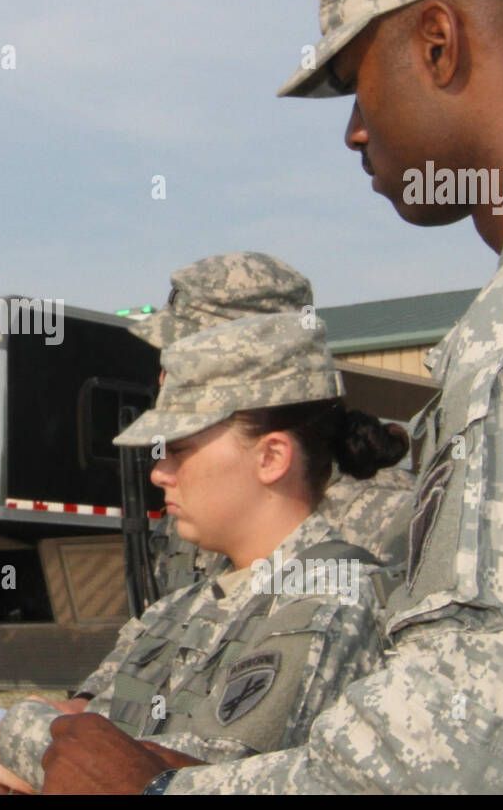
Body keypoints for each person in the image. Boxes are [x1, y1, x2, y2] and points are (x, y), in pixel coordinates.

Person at [40, 0, 503, 794]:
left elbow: (483, 756)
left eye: (357, 81)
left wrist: (154, 793)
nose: (356, 131)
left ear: (439, 43)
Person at [0, 313, 407, 793]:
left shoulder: (333, 601)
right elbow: (90, 727)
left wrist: (24, 734)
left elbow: (201, 777)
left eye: (179, 450)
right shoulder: (179, 607)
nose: (158, 473)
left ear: (271, 457)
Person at [72, 252, 415, 710]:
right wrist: (85, 714)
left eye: (193, 351)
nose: (165, 373)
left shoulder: (384, 523)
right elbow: (163, 646)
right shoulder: (207, 505)